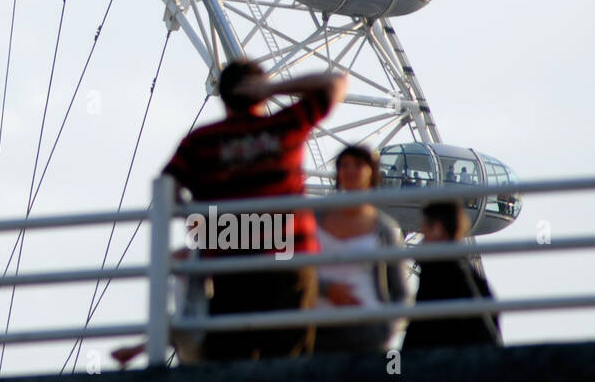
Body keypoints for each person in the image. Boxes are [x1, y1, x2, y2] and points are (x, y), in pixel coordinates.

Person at [162, 61, 348, 360]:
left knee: (232, 357)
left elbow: (167, 187)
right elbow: (335, 82)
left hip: (229, 262)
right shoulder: (284, 126)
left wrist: (203, 227)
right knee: (289, 359)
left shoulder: (201, 141)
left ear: (222, 95)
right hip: (287, 260)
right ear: (259, 93)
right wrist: (273, 88)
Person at [313, 146, 409, 353]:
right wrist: (325, 289)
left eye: (358, 165)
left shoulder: (385, 229)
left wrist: (386, 331)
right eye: (344, 165)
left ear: (372, 172)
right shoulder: (314, 219)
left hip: (367, 332)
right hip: (317, 330)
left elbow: (400, 291)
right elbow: (292, 267)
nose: (350, 171)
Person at [402, 201, 501, 349]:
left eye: (425, 232)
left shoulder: (438, 278)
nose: (422, 242)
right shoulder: (474, 281)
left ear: (437, 230)